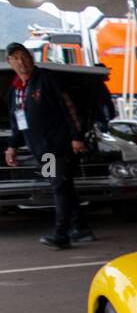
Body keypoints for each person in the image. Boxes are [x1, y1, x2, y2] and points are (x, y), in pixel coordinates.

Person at [3, 42, 94, 249]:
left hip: (57, 146)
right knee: (62, 185)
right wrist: (12, 146)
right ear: (9, 62)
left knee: (59, 186)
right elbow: (17, 121)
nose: (21, 61)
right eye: (15, 58)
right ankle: (81, 228)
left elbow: (69, 107)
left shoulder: (46, 79)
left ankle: (61, 233)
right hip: (41, 150)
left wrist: (76, 136)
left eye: (24, 56)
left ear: (31, 58)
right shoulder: (15, 90)